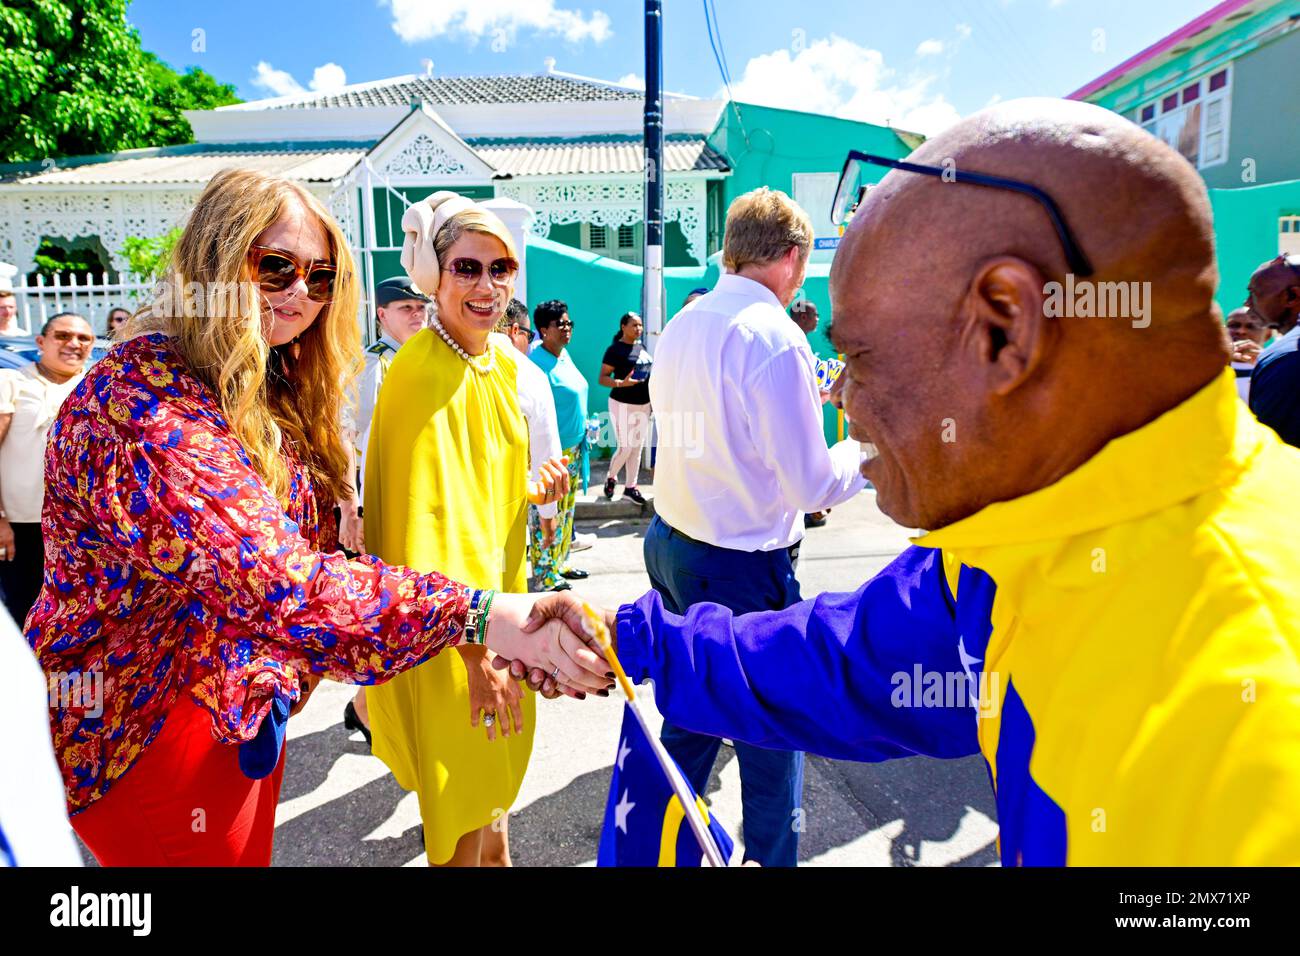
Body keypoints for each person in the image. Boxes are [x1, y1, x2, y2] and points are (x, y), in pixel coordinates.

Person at [521, 98, 1300, 866]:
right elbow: (843, 659)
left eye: (859, 360)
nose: (845, 401)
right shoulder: (1022, 533)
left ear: (1005, 326)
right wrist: (629, 635)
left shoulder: (1246, 713)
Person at [26, 169, 609, 867]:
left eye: (320, 277)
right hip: (147, 728)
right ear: (214, 261)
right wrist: (482, 621)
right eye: (275, 268)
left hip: (237, 710)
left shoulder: (258, 381)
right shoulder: (146, 408)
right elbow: (284, 583)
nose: (300, 294)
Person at [642, 187, 867, 867]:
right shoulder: (775, 336)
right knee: (772, 732)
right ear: (794, 259)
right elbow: (810, 486)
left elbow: (714, 429)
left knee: (691, 712)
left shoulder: (683, 324)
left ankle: (651, 843)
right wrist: (874, 448)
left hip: (673, 543)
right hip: (739, 564)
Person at [363, 193, 577, 867]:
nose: (486, 286)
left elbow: (472, 497)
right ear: (434, 275)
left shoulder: (500, 364)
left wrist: (530, 490)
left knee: (494, 816)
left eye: (500, 268)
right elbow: (421, 537)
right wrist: (476, 656)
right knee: (459, 829)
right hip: (457, 643)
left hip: (501, 618)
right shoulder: (418, 374)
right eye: (466, 268)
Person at [338, 275, 432, 744]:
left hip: (422, 503)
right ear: (381, 314)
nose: (417, 314)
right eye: (405, 308)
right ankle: (375, 710)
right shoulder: (369, 366)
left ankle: (369, 707)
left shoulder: (429, 358)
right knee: (387, 612)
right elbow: (342, 442)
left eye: (421, 306)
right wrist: (350, 510)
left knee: (414, 608)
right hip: (380, 504)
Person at [0, 312, 94, 623]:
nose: (74, 344)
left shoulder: (98, 388)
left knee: (77, 614)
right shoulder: (12, 382)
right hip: (22, 526)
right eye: (63, 336)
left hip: (83, 525)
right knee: (24, 609)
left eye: (83, 338)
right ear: (41, 342)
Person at [528, 299, 590, 590]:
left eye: (569, 323)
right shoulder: (534, 364)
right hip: (551, 451)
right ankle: (544, 573)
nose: (567, 329)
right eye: (560, 324)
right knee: (547, 509)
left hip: (574, 448)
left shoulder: (564, 356)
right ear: (544, 330)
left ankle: (560, 562)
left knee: (566, 510)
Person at [504, 299, 565, 588]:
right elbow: (547, 451)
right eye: (530, 336)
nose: (530, 344)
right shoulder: (528, 374)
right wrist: (548, 515)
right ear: (514, 331)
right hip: (508, 507)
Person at [598, 311, 652, 504]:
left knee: (636, 449)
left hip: (643, 404)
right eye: (634, 325)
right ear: (623, 327)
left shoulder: (641, 346)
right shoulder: (614, 350)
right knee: (626, 447)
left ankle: (631, 487)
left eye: (640, 325)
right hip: (622, 403)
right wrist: (622, 383)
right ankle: (611, 477)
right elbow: (603, 378)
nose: (638, 329)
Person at [1247, 255, 1300, 447]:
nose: (1247, 303)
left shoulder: (1285, 358)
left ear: (1292, 297)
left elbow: (1275, 445)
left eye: (1254, 293)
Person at [1224, 305, 1269, 402]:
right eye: (1234, 325)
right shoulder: (1208, 367)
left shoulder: (1275, 367)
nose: (1241, 331)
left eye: (1251, 327)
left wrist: (1265, 362)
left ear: (1268, 334)